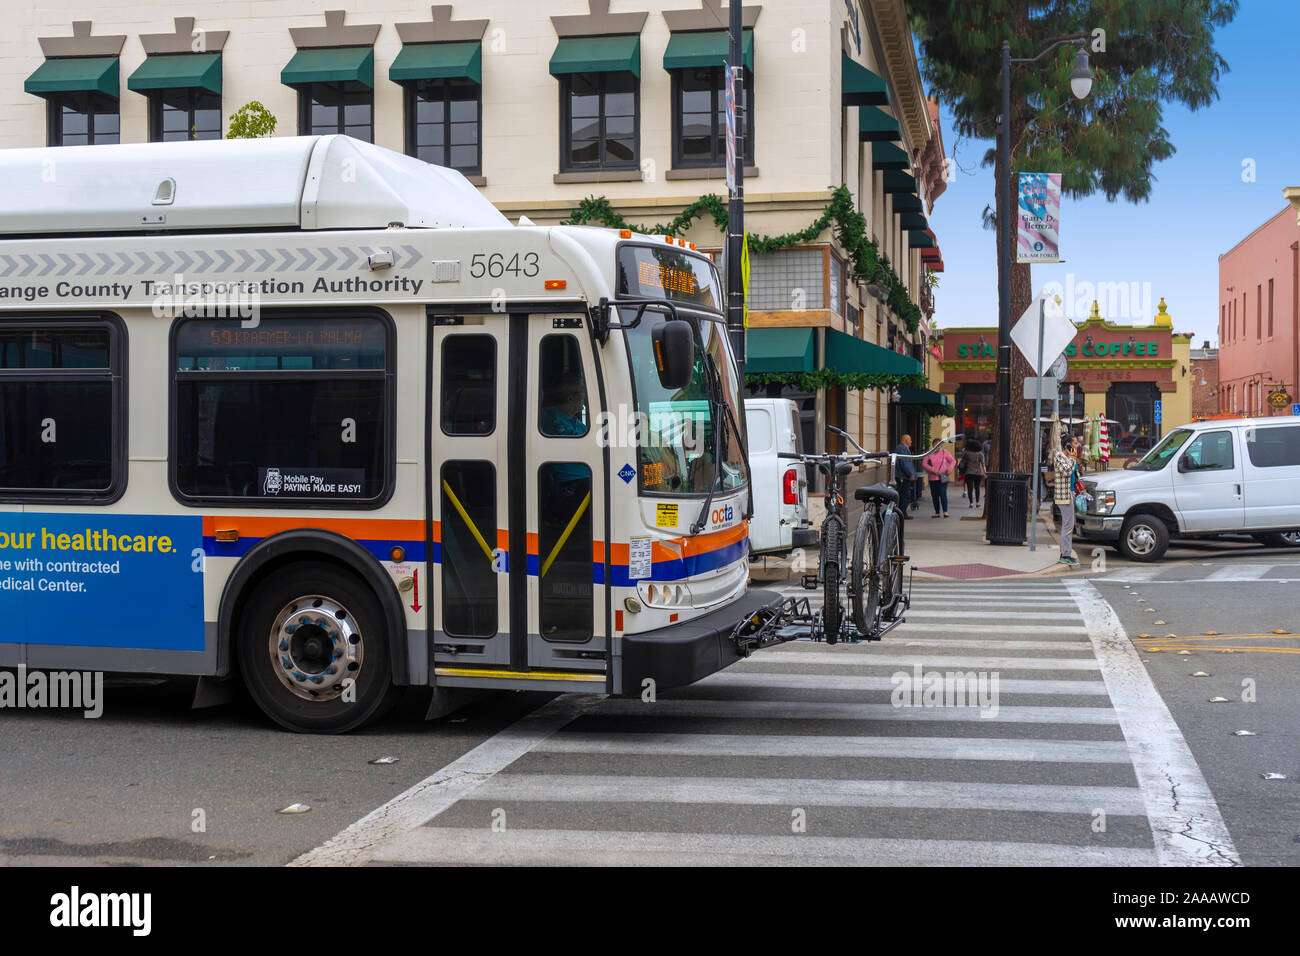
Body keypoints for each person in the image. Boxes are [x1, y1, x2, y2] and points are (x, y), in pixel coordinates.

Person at [1054, 435, 1081, 566]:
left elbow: (1075, 475)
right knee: (1068, 526)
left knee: (1070, 525)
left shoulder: (1069, 459)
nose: (1077, 445)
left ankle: (1067, 553)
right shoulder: (1059, 457)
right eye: (1075, 443)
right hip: (1063, 496)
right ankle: (1065, 555)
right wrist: (1072, 458)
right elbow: (1066, 471)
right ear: (1068, 445)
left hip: (1070, 494)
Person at [922, 442, 956, 517]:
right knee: (934, 495)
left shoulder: (945, 452)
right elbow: (924, 463)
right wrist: (932, 469)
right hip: (932, 478)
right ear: (933, 445)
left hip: (942, 477)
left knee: (943, 493)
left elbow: (953, 461)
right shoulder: (929, 453)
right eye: (935, 445)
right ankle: (937, 512)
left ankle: (945, 511)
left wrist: (950, 469)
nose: (937, 447)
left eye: (939, 445)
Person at [893, 434, 916, 520]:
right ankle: (902, 514)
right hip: (903, 476)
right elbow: (905, 463)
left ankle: (902, 513)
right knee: (904, 495)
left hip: (902, 475)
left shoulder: (902, 448)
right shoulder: (902, 448)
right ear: (905, 440)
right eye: (910, 440)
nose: (911, 442)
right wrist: (911, 474)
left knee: (903, 495)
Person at [960, 440, 985, 507]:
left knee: (970, 488)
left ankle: (971, 503)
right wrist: (985, 473)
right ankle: (977, 502)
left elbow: (963, 461)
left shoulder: (967, 453)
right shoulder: (980, 454)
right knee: (977, 488)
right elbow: (983, 464)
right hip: (978, 473)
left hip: (969, 473)